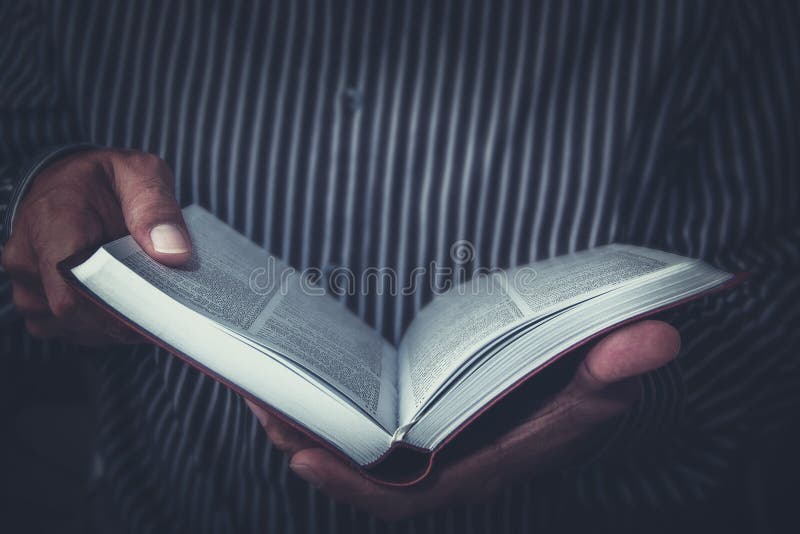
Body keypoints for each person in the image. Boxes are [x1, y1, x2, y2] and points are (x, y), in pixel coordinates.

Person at [1, 0, 798, 532]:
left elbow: (771, 302)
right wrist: (33, 222)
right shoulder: (68, 16)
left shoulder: (715, 21)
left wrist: (619, 403)